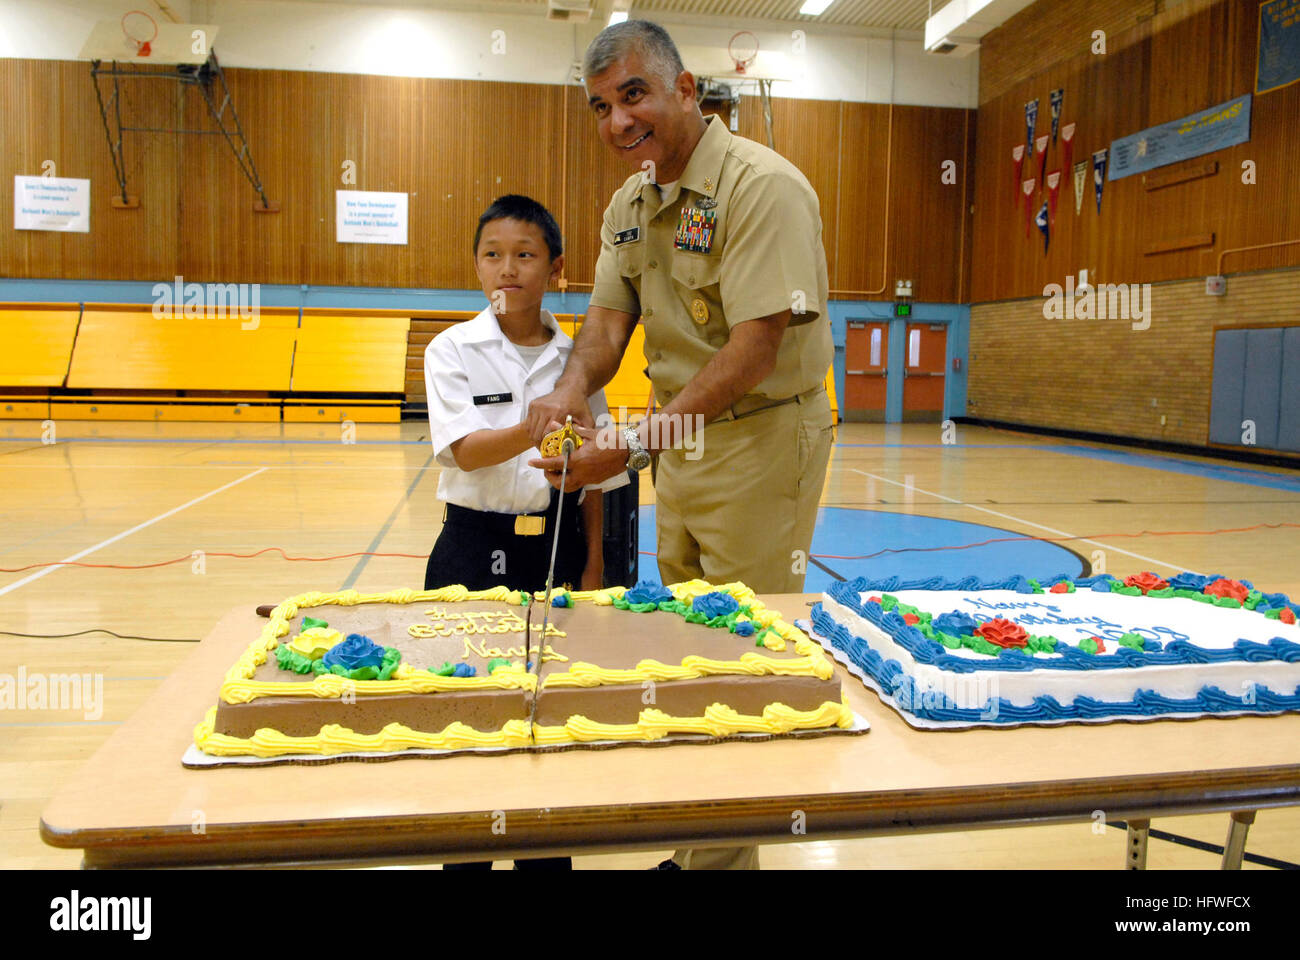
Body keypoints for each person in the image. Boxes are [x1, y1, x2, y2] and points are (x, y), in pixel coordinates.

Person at [526, 21, 835, 871]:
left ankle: (719, 862)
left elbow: (753, 350)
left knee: (743, 654)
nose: (618, 121)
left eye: (634, 95)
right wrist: (567, 389)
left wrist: (624, 453)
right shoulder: (631, 204)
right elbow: (605, 324)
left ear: (686, 89)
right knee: (693, 637)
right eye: (600, 106)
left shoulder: (762, 188)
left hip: (763, 436)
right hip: (683, 443)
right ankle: (713, 852)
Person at [424, 194, 628, 870]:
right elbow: (465, 452)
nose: (506, 269)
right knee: (469, 713)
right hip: (470, 550)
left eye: (525, 255)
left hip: (558, 549)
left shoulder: (580, 363)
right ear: (476, 266)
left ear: (557, 268)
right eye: (492, 255)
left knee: (547, 719)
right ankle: (466, 858)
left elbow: (596, 474)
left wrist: (594, 567)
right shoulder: (450, 350)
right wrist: (540, 423)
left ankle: (547, 856)